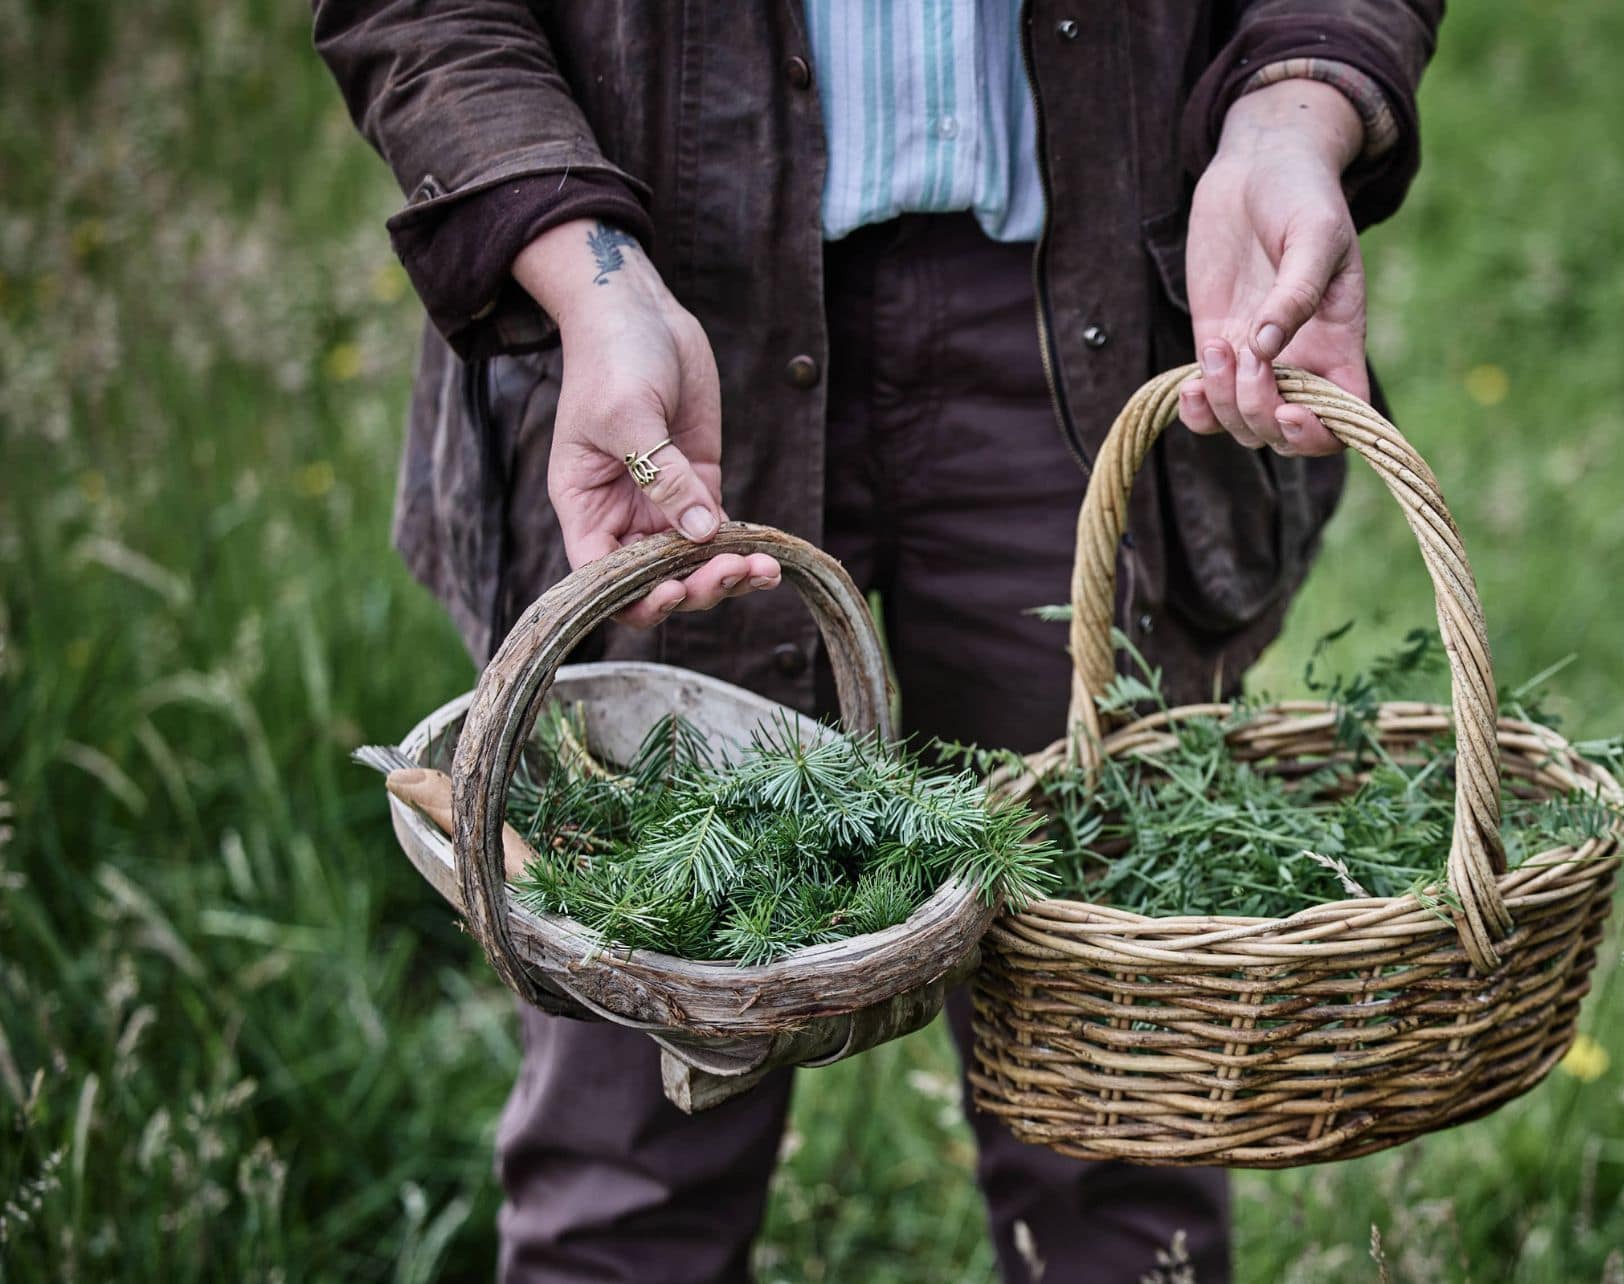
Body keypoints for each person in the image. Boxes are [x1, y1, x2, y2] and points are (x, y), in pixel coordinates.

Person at [314, 3, 1439, 1279]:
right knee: (632, 1109)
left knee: (1118, 1096)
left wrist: (1287, 115)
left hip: (1082, 312)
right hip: (655, 321)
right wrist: (588, 271)